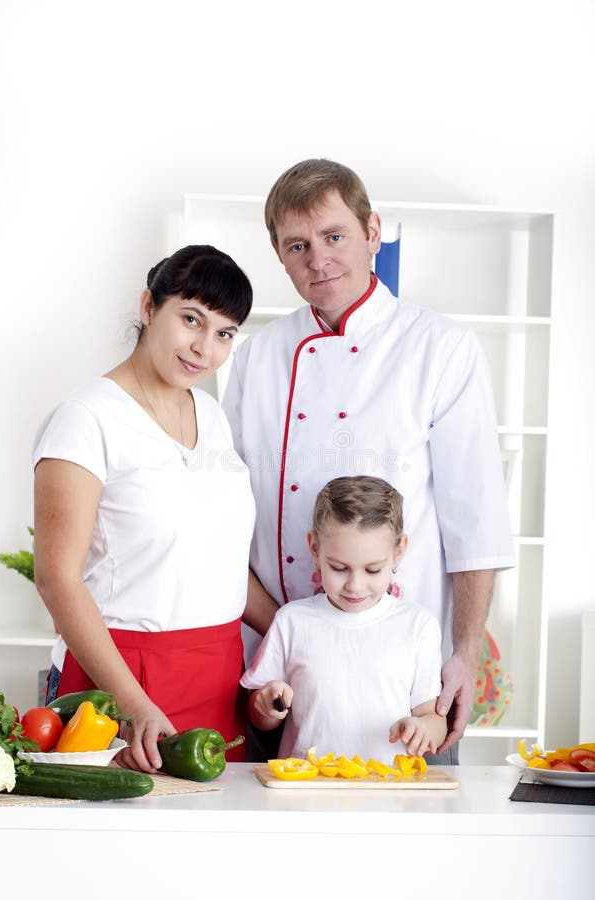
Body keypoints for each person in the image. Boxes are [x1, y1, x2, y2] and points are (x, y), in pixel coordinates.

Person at [222, 158, 515, 762]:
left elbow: (475, 522)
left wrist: (463, 653)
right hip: (273, 674)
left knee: (409, 838)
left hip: (403, 687)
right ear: (279, 256)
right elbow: (228, 516)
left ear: (372, 231)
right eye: (296, 245)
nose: (318, 260)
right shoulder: (256, 357)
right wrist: (294, 637)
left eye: (334, 237)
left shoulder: (441, 348)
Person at [32, 244, 271, 773]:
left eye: (224, 333)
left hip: (218, 671)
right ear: (148, 307)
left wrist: (297, 635)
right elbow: (56, 578)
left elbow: (221, 559)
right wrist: (131, 702)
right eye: (191, 319)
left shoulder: (210, 414)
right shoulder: (85, 419)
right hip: (121, 677)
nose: (204, 348)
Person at [240, 476, 447, 762]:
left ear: (399, 552)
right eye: (338, 568)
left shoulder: (417, 626)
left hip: (387, 791)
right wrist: (266, 706)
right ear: (314, 548)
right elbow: (259, 718)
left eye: (373, 570)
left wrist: (423, 728)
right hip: (305, 789)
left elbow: (434, 720)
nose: (355, 585)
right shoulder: (292, 622)